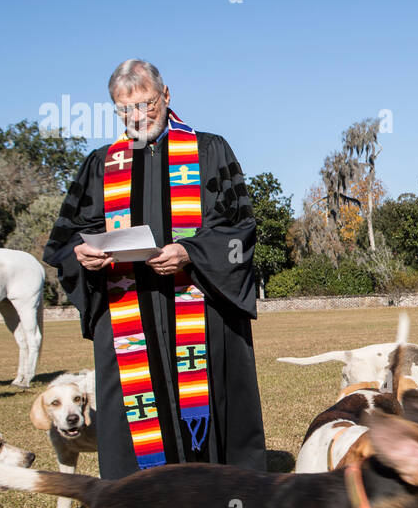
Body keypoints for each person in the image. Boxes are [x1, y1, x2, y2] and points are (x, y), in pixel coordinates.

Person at [43, 59, 267, 478]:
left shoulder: (208, 150)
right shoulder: (99, 164)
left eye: (146, 104)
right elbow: (67, 235)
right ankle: (141, 505)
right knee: (134, 413)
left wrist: (191, 253)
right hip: (128, 309)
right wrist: (81, 252)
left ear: (166, 96)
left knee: (210, 406)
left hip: (199, 307)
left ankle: (221, 494)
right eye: (125, 108)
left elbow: (239, 226)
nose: (138, 116)